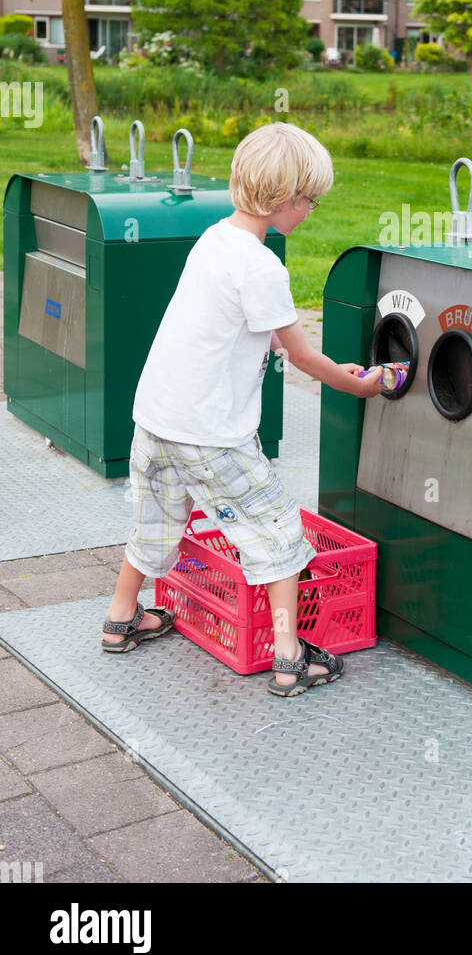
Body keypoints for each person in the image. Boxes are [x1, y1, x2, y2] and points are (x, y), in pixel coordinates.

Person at [100, 122, 383, 696]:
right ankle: (289, 656)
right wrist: (354, 385)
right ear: (283, 197)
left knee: (156, 525)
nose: (312, 209)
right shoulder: (263, 266)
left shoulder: (214, 240)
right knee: (277, 533)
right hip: (211, 433)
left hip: (155, 419)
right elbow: (299, 353)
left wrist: (331, 365)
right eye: (310, 199)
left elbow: (262, 334)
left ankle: (120, 619)